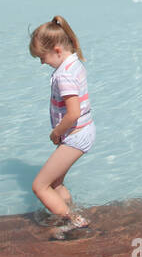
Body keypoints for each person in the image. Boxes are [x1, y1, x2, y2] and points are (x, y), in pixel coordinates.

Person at [29, 16, 96, 240]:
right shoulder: (74, 63)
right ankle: (70, 212)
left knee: (39, 186)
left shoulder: (64, 75)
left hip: (76, 135)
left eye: (42, 57)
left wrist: (56, 132)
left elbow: (73, 113)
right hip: (83, 131)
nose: (41, 63)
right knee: (55, 183)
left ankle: (74, 221)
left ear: (57, 50)